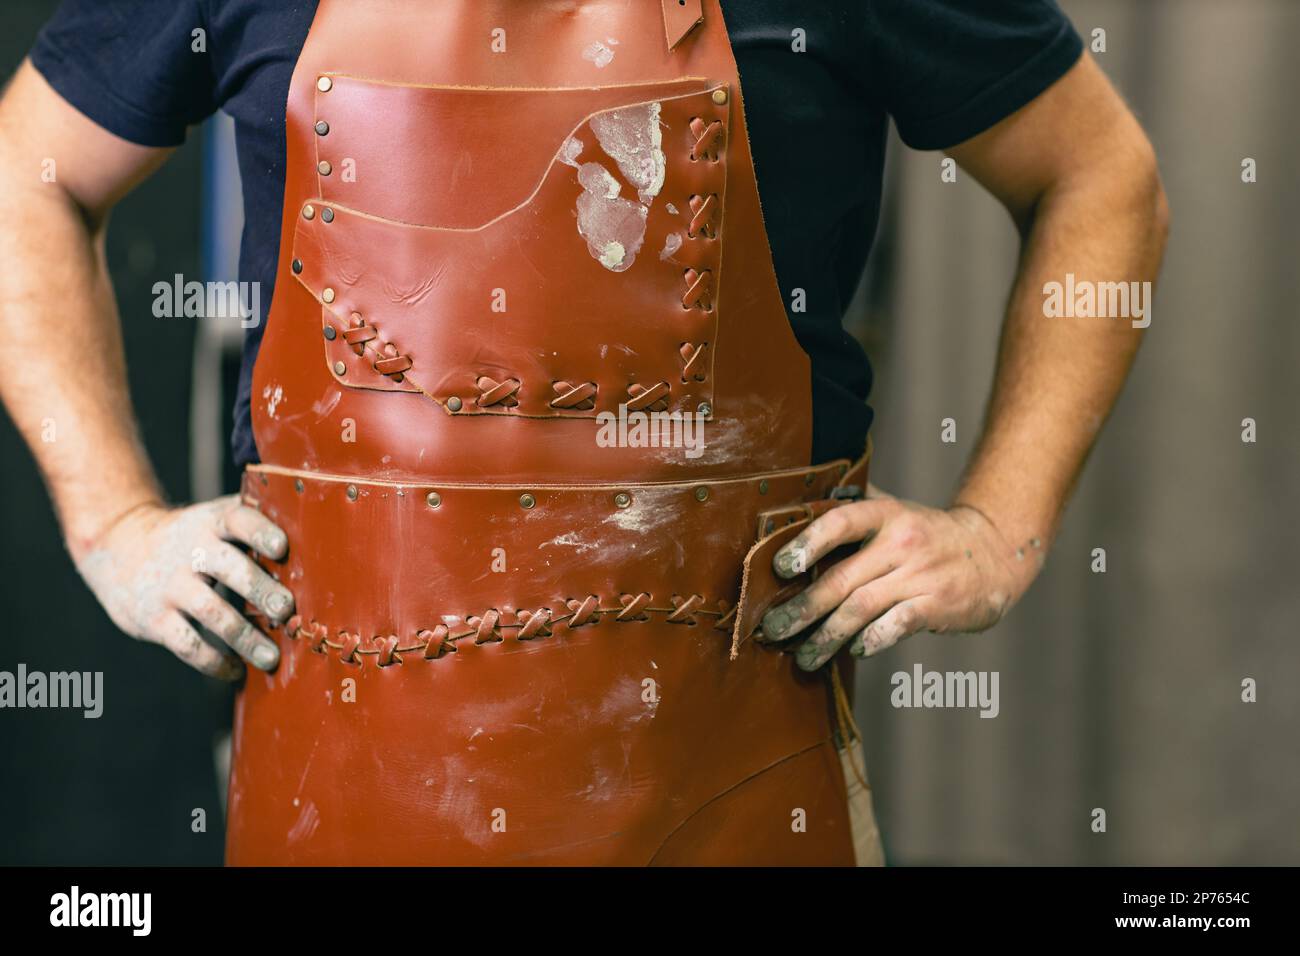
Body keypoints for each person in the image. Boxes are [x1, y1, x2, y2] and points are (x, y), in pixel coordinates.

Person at [0, 0, 1167, 864]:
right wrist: (112, 523)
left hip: (735, 784)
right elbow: (28, 176)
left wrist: (997, 528)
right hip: (339, 789)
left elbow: (1099, 175)